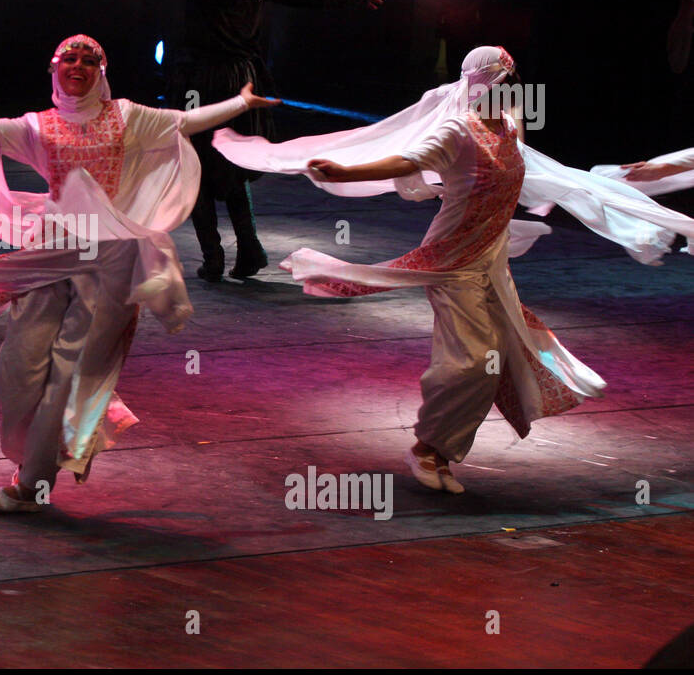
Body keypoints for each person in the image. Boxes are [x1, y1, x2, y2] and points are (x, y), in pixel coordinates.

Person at [216, 45, 694, 490]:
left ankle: (437, 452)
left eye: (514, 79)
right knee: (472, 362)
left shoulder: (508, 124)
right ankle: (427, 449)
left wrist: (636, 178)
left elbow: (536, 168)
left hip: (490, 258)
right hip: (451, 259)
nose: (512, 87)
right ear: (483, 84)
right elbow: (408, 159)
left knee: (502, 350)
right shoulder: (456, 130)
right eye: (504, 79)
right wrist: (345, 172)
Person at [0, 34, 276, 511]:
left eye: (89, 60)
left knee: (71, 373)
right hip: (50, 254)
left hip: (108, 260)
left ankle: (32, 486)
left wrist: (241, 101)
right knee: (20, 369)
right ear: (54, 68)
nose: (79, 65)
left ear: (101, 72)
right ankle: (53, 452)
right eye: (69, 58)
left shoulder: (127, 117)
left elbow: (186, 122)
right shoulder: (38, 126)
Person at [126, 0, 384, 282]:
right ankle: (249, 250)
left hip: (207, 77)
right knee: (229, 161)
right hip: (241, 80)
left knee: (194, 163)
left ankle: (213, 257)